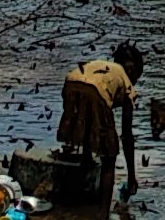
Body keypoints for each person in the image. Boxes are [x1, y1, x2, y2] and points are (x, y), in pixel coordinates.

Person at [55, 42, 144, 204]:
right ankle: (103, 215)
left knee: (84, 132)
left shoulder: (104, 67)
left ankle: (78, 193)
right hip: (96, 91)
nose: (135, 82)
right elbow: (127, 134)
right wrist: (131, 176)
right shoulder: (126, 81)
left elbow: (89, 120)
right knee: (109, 157)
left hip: (70, 83)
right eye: (137, 78)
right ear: (132, 70)